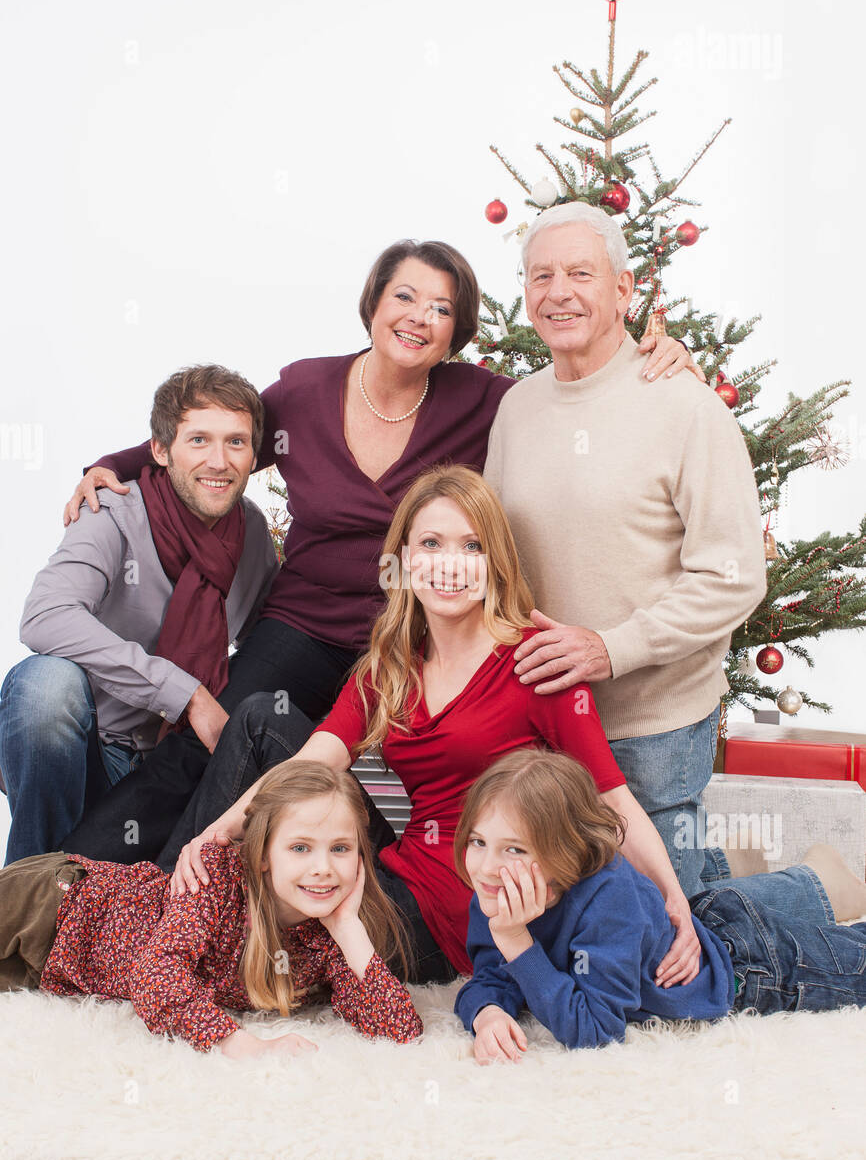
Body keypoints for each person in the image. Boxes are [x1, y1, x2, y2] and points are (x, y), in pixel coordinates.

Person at [55, 238, 702, 865]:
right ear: (374, 303)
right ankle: (73, 883)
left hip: (410, 639)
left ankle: (295, 914)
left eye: (442, 309)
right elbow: (217, 436)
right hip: (302, 625)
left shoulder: (485, 402)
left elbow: (574, 402)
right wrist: (112, 464)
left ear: (457, 332)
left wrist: (650, 368)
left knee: (388, 802)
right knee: (211, 740)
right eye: (406, 295)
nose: (421, 317)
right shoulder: (305, 393)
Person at [165, 466, 727, 987]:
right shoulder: (392, 664)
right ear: (404, 560)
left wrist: (673, 896)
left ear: (495, 562)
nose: (449, 565)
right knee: (263, 717)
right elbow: (314, 761)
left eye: (471, 546)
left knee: (274, 940)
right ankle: (165, 899)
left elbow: (612, 800)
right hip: (398, 857)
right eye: (431, 545)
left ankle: (175, 927)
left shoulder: (535, 663)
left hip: (459, 907)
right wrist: (214, 835)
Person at [483, 201, 768, 895]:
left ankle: (817, 890)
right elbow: (492, 555)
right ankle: (730, 874)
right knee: (573, 926)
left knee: (668, 947)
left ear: (624, 289)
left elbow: (734, 576)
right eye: (540, 275)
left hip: (652, 726)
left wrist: (612, 647)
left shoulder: (685, 405)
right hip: (542, 722)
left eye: (581, 272)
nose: (559, 292)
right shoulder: (516, 407)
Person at [0, 365, 278, 865]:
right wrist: (185, 693)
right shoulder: (113, 512)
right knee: (44, 685)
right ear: (160, 449)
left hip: (181, 768)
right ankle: (28, 893)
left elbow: (271, 640)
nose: (219, 461)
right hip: (95, 753)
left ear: (254, 455)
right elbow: (45, 615)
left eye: (236, 443)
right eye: (198, 440)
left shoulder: (252, 533)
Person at [454, 749, 866, 1062]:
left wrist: (516, 941)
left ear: (566, 849)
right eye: (478, 841)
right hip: (716, 926)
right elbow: (495, 973)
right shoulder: (496, 890)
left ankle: (821, 882)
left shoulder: (607, 900)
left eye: (514, 848)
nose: (487, 867)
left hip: (749, 968)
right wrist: (486, 1012)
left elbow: (596, 1029)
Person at [0, 762, 422, 1054]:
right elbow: (156, 977)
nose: (323, 869)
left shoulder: (330, 937)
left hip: (55, 976)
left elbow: (401, 1032)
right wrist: (241, 1045)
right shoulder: (217, 876)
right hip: (55, 907)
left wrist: (348, 927)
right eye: (300, 848)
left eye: (341, 849)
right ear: (262, 855)